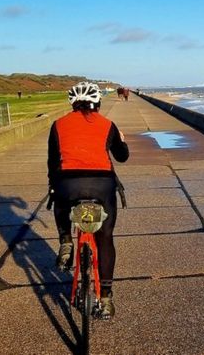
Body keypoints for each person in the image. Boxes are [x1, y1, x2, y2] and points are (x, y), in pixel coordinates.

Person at [47, 81, 129, 319]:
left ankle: (66, 241)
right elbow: (122, 157)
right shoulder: (108, 125)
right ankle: (106, 299)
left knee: (59, 195)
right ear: (97, 103)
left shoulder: (58, 125)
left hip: (68, 185)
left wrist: (54, 186)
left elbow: (53, 163)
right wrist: (121, 140)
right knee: (105, 238)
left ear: (73, 103)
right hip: (102, 185)